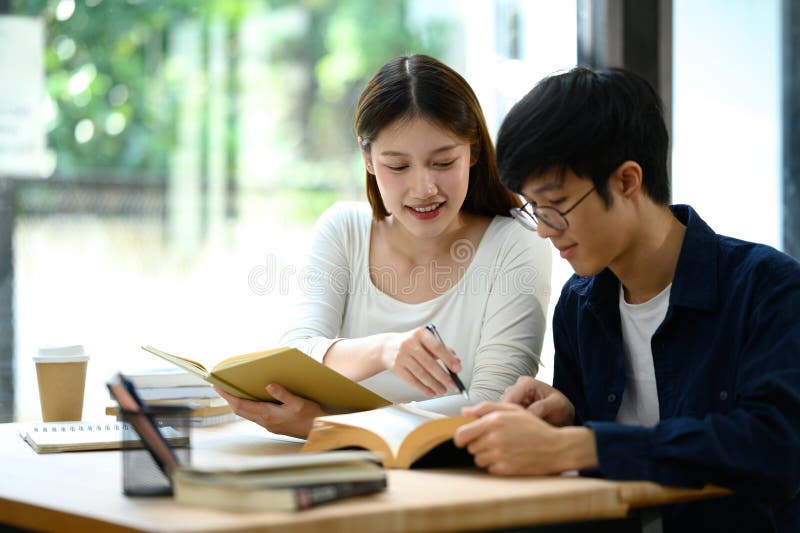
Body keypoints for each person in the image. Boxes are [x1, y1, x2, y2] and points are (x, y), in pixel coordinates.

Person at [453, 66, 800, 532]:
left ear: (627, 181)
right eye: (534, 210)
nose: (543, 229)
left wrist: (581, 446)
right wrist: (568, 415)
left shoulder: (767, 289)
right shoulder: (579, 306)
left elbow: (775, 445)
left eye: (555, 206)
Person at [216, 54, 551, 438]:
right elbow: (294, 357)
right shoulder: (345, 230)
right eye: (398, 166)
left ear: (473, 152)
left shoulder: (516, 243)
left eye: (443, 162)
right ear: (368, 158)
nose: (424, 188)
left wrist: (325, 425)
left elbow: (493, 404)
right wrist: (383, 351)